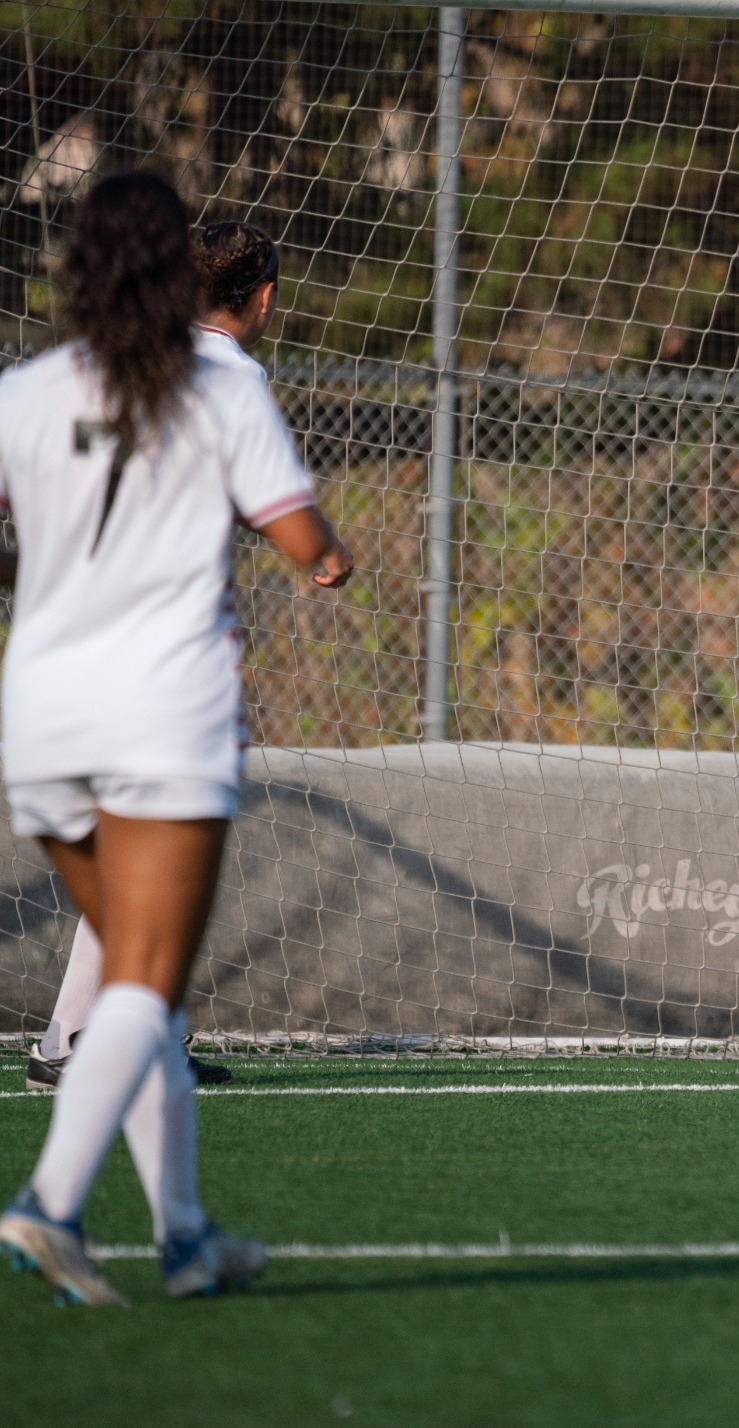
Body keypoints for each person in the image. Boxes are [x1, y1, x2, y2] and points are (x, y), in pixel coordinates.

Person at [0, 173, 353, 1306]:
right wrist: (329, 552)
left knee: (144, 985)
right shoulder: (220, 385)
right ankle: (50, 1203)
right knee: (146, 984)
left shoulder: (28, 391)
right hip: (162, 708)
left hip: (42, 711)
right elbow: (305, 544)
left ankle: (188, 1238)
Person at [25, 220, 282, 1093]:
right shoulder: (232, 376)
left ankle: (80, 1037)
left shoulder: (116, 360)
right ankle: (101, 1045)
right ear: (263, 297)